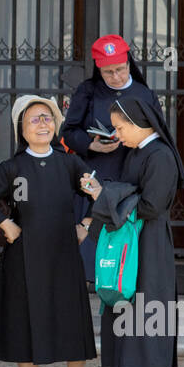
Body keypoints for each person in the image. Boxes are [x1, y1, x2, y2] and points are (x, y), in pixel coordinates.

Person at [0, 95, 98, 367]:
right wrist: (5, 225)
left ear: (55, 125)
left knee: (71, 318)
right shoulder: (13, 168)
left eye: (47, 118)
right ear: (22, 129)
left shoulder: (69, 163)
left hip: (64, 255)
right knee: (24, 321)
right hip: (23, 258)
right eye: (34, 119)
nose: (42, 124)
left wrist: (85, 223)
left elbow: (96, 190)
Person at [83, 93, 184, 367]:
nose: (117, 134)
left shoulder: (160, 156)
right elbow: (130, 194)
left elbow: (151, 206)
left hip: (150, 247)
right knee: (132, 318)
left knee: (147, 321)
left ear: (138, 122)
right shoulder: (139, 152)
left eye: (120, 127)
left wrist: (104, 195)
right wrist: (105, 192)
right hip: (135, 242)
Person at [60, 36, 162, 278]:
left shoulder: (144, 94)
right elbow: (69, 132)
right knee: (89, 260)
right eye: (108, 72)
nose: (116, 77)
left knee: (125, 259)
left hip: (130, 174)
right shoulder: (88, 91)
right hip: (96, 174)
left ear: (129, 63)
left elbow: (157, 135)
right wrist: (91, 145)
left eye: (121, 69)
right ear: (99, 70)